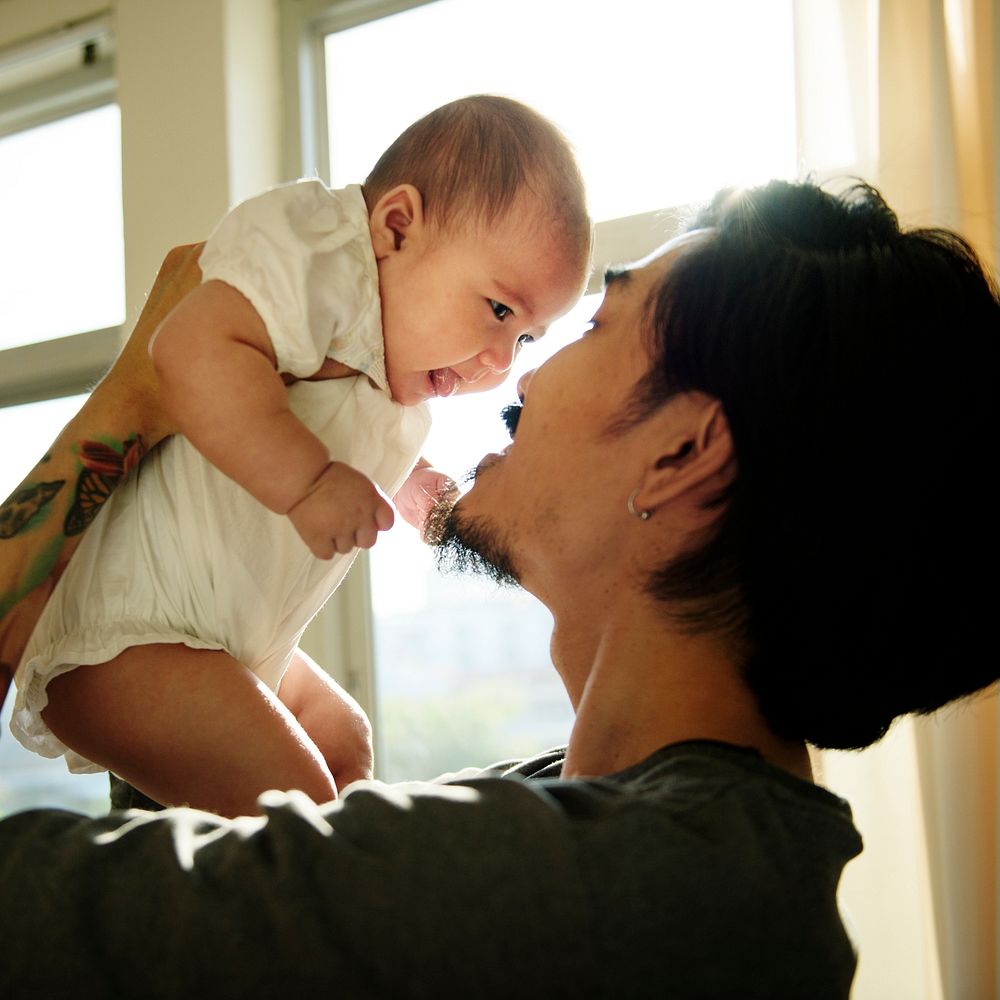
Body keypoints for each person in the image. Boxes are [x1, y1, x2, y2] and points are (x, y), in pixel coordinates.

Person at [1, 178, 997, 998]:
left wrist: (135, 394)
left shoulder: (599, 893)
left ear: (682, 454)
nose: (520, 377)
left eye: (596, 325)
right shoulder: (646, 844)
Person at [4, 95, 591, 817]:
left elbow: (335, 430)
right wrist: (310, 484)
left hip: (229, 642)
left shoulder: (391, 374)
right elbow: (188, 348)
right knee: (297, 798)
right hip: (130, 633)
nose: (500, 361)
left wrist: (409, 485)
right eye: (499, 310)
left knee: (344, 744)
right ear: (395, 227)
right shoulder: (319, 252)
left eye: (525, 338)